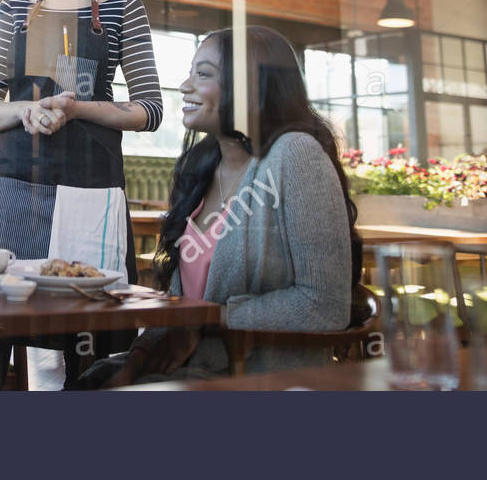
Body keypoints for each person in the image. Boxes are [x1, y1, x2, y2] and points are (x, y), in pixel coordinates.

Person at [0, 0, 163, 389]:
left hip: (88, 190)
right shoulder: (14, 8)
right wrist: (27, 112)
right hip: (13, 188)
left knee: (85, 344)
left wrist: (78, 109)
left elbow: (150, 109)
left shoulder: (122, 7)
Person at [85, 26, 365, 387]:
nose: (185, 86)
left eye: (203, 74)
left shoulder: (295, 154)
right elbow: (179, 300)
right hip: (190, 373)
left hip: (259, 379)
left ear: (249, 86)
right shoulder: (202, 166)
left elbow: (324, 305)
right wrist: (138, 359)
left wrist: (212, 318)